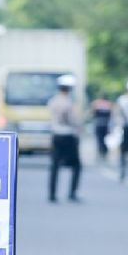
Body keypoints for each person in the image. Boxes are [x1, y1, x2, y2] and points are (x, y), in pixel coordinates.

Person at [47, 74, 82, 202]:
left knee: (55, 165)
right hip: (68, 136)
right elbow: (72, 120)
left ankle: (52, 194)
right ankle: (72, 193)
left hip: (56, 135)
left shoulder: (53, 101)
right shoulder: (69, 103)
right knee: (76, 166)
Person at [90, 92, 113, 161]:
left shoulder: (96, 103)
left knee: (99, 139)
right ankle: (103, 150)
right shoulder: (109, 104)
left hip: (99, 124)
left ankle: (102, 150)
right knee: (103, 139)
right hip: (105, 124)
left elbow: (92, 113)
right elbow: (111, 116)